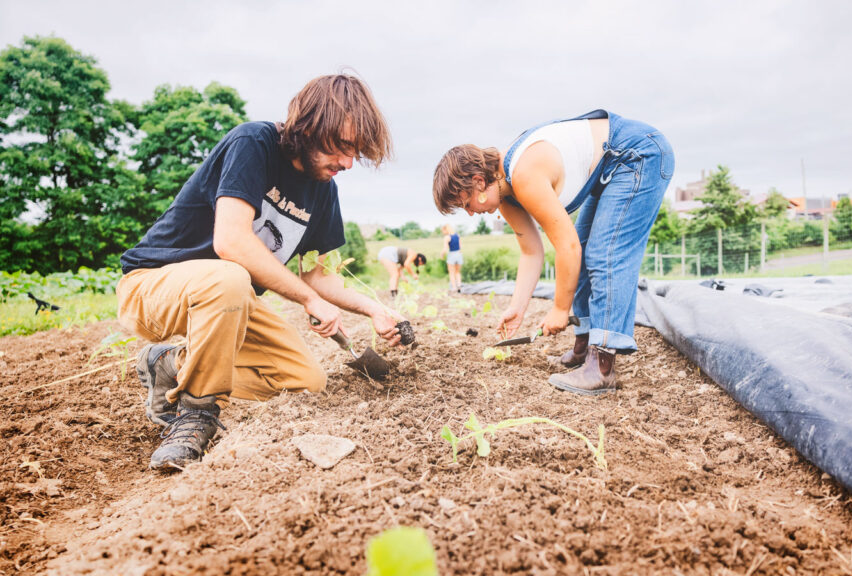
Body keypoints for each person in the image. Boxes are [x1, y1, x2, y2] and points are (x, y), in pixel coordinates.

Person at [118, 73, 405, 470]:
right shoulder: (253, 143)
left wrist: (373, 310)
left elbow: (318, 277)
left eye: (355, 151)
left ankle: (171, 363)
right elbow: (230, 243)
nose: (348, 162)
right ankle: (196, 412)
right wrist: (307, 300)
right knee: (231, 276)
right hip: (153, 285)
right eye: (341, 146)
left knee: (306, 379)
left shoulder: (324, 190)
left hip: (227, 301)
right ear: (309, 127)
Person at [433, 110, 674, 395]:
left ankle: (603, 367)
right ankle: (584, 348)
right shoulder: (505, 194)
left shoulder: (523, 174)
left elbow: (566, 246)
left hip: (637, 154)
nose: (472, 213)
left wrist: (560, 309)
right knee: (586, 250)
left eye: (467, 204)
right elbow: (531, 252)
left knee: (605, 254)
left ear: (478, 181)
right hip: (610, 166)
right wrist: (517, 308)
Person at [441, 224, 463, 292]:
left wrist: (442, 254)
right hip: (459, 254)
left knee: (451, 272)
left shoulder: (447, 237)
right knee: (458, 272)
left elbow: (445, 249)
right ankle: (459, 286)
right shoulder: (457, 235)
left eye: (443, 231)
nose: (442, 232)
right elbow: (460, 246)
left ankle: (454, 288)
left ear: (445, 230)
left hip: (452, 255)